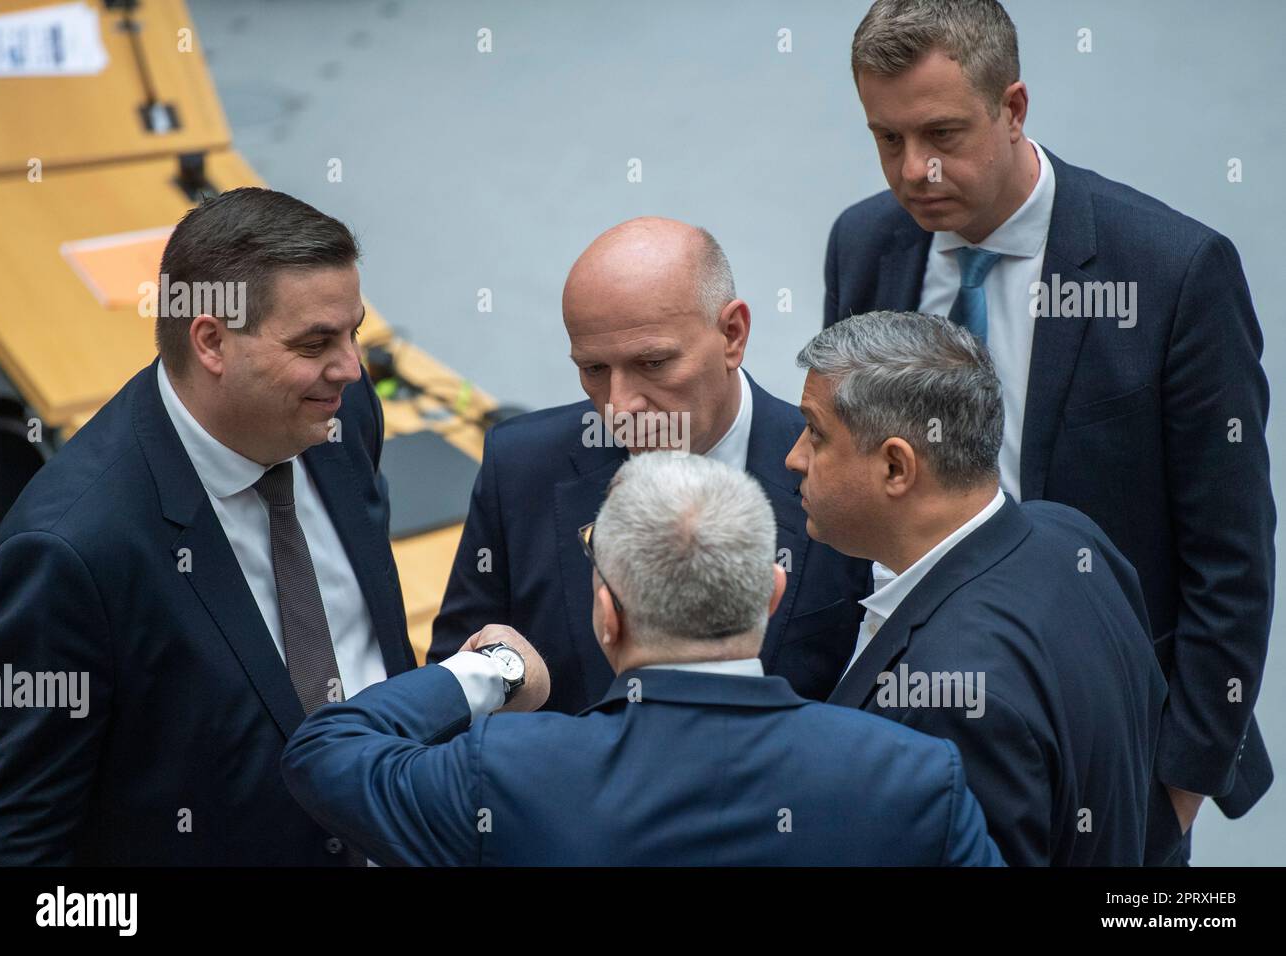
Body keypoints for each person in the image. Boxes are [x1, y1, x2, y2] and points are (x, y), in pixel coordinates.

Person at [822, 0, 1274, 863]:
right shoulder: (866, 246)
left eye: (943, 134)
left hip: (1100, 741)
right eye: (887, 139)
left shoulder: (1174, 273)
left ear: (1014, 107)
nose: (915, 171)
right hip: (895, 720)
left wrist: (1174, 790)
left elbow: (1233, 553)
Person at [283, 452, 1004, 866]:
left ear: (608, 614)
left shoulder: (504, 775)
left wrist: (493, 669)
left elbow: (324, 751)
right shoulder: (914, 776)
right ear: (774, 592)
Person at [0, 188, 415, 864]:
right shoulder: (70, 552)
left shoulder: (341, 414)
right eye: (315, 343)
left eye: (354, 331)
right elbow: (18, 845)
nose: (352, 368)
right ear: (211, 340)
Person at [431, 217, 868, 712]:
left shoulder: (844, 474)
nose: (620, 407)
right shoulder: (520, 467)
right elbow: (454, 685)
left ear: (733, 334)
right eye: (593, 369)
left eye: (652, 363)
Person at [789, 311, 1167, 865]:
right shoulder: (1070, 538)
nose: (794, 456)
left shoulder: (953, 698)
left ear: (896, 466)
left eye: (815, 433)